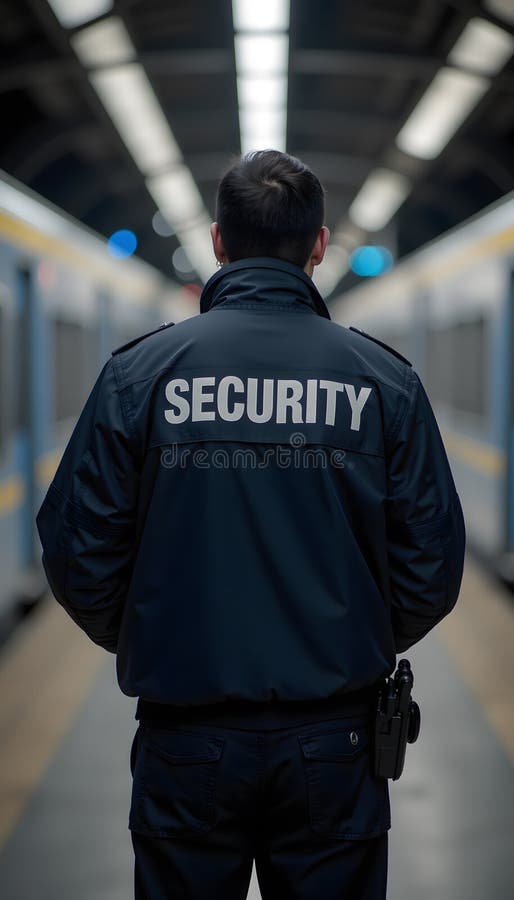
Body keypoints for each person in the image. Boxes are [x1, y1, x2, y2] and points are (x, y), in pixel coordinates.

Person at [36, 149, 465, 900]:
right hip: (339, 744)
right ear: (320, 245)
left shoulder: (142, 376)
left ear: (217, 242)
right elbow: (431, 565)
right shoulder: (383, 384)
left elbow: (77, 549)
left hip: (185, 737)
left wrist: (152, 631)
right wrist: (346, 633)